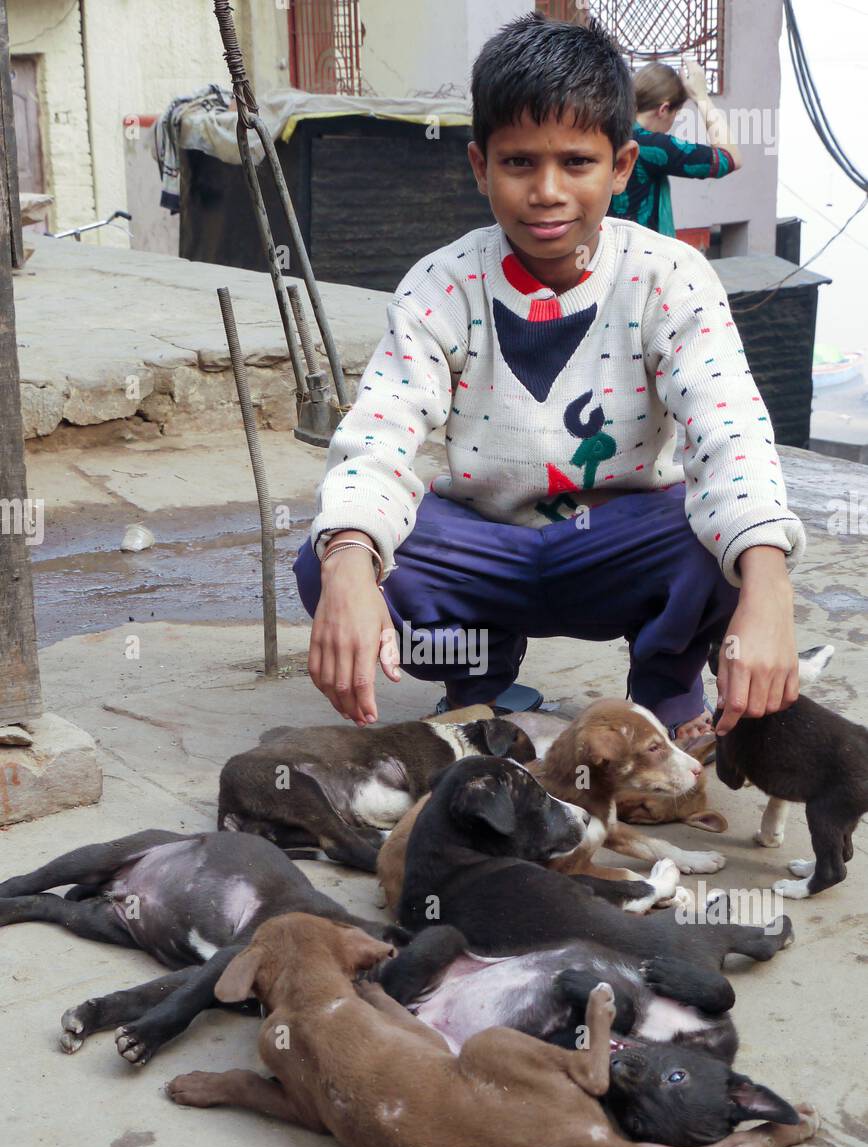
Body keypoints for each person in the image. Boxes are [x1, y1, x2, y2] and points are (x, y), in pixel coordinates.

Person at [293, 13, 803, 748]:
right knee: (335, 553)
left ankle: (665, 688)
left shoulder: (670, 277)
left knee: (727, 539)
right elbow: (378, 437)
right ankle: (480, 679)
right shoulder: (441, 285)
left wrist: (771, 585)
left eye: (576, 162)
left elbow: (730, 432)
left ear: (622, 166)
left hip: (618, 546)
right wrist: (347, 561)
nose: (548, 192)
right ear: (479, 166)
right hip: (487, 546)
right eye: (519, 163)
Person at [609, 59, 741, 237]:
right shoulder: (654, 146)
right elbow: (731, 158)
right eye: (676, 114)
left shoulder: (607, 131)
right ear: (663, 109)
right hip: (642, 257)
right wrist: (701, 97)